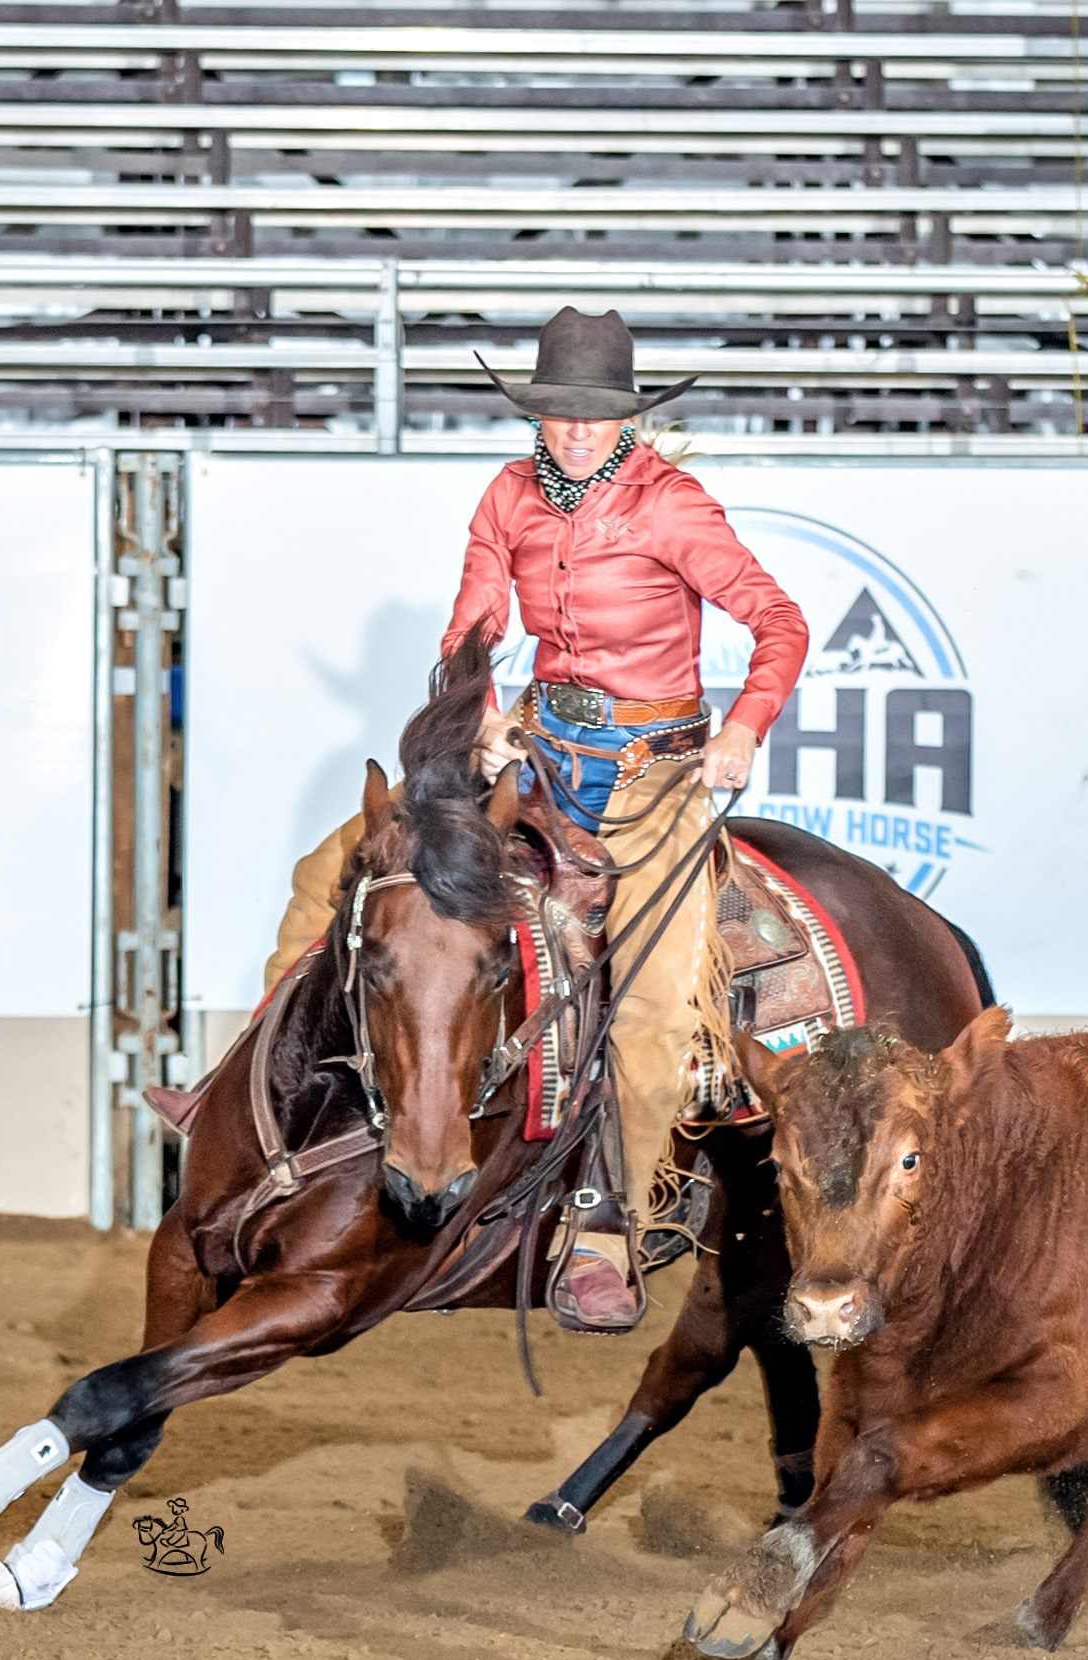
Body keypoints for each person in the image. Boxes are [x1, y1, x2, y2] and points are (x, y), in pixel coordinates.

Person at [259, 308, 809, 1327]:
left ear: (627, 419)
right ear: (537, 415)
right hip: (542, 758)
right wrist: (477, 720)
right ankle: (252, 1082)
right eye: (558, 412)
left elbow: (779, 620)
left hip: (655, 773)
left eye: (594, 416)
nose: (574, 431)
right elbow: (475, 620)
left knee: (646, 999)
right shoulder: (509, 494)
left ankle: (614, 1224)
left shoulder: (674, 508)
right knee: (335, 869)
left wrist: (744, 728)